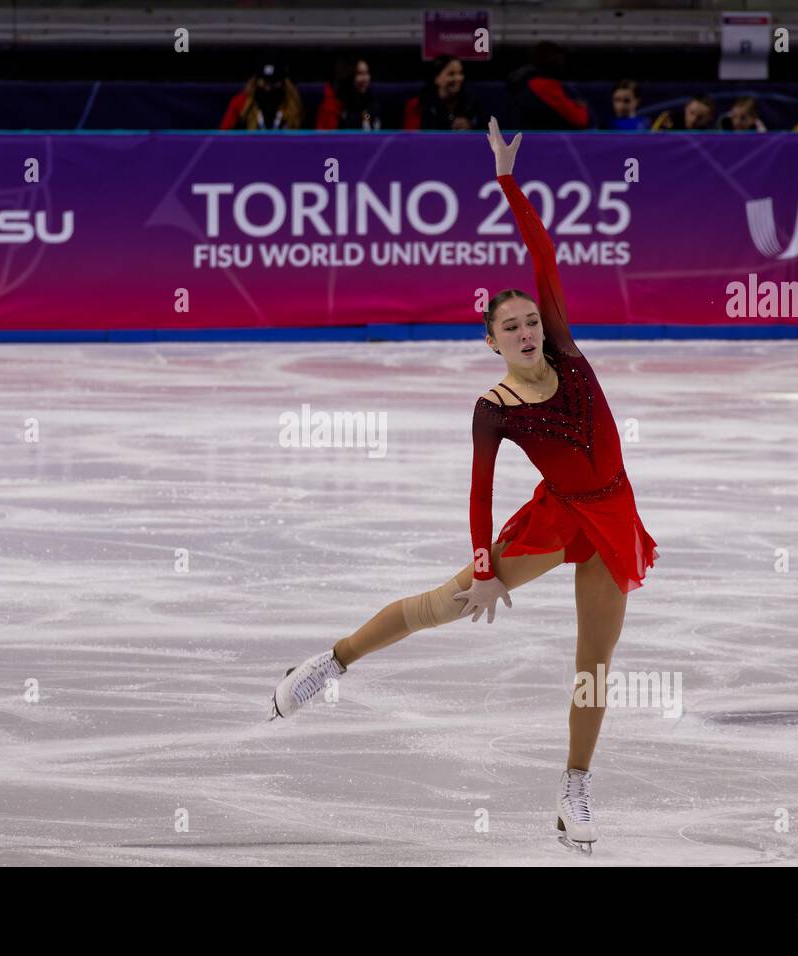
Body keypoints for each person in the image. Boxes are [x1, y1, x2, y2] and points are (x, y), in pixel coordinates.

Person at [269, 117, 660, 855]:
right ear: (491, 340)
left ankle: (574, 788)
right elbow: (478, 496)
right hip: (556, 516)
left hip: (613, 514)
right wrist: (485, 570)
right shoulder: (494, 409)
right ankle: (332, 661)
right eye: (509, 326)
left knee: (594, 664)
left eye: (529, 321)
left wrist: (508, 182)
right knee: (442, 604)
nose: (524, 331)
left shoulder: (568, 351)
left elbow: (541, 249)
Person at [506, 41, 590, 131]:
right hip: (547, 139)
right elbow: (580, 120)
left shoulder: (522, 82)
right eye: (559, 59)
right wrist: (581, 106)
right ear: (553, 60)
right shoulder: (545, 86)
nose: (562, 63)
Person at [402, 55, 485, 131]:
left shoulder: (472, 102)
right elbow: (411, 139)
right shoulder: (417, 105)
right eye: (451, 74)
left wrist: (470, 127)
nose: (458, 78)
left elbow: (486, 134)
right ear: (436, 78)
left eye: (460, 73)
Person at [219, 62, 304, 131]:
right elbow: (224, 136)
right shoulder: (241, 102)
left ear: (284, 83)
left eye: (273, 83)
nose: (268, 88)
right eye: (264, 82)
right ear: (256, 81)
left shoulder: (294, 104)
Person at [315, 54, 384, 131]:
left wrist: (367, 118)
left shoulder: (371, 103)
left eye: (367, 73)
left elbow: (370, 120)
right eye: (359, 73)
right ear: (350, 77)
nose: (365, 78)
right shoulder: (335, 106)